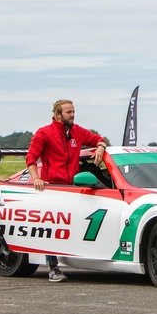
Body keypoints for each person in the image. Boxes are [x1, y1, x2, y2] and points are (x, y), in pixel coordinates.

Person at [25, 99, 108, 282]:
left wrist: (101, 147)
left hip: (74, 188)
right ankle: (53, 268)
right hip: (53, 187)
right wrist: (36, 178)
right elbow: (31, 158)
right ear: (58, 114)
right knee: (54, 227)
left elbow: (98, 139)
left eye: (73, 111)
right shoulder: (44, 133)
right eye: (68, 112)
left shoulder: (77, 131)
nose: (72, 115)